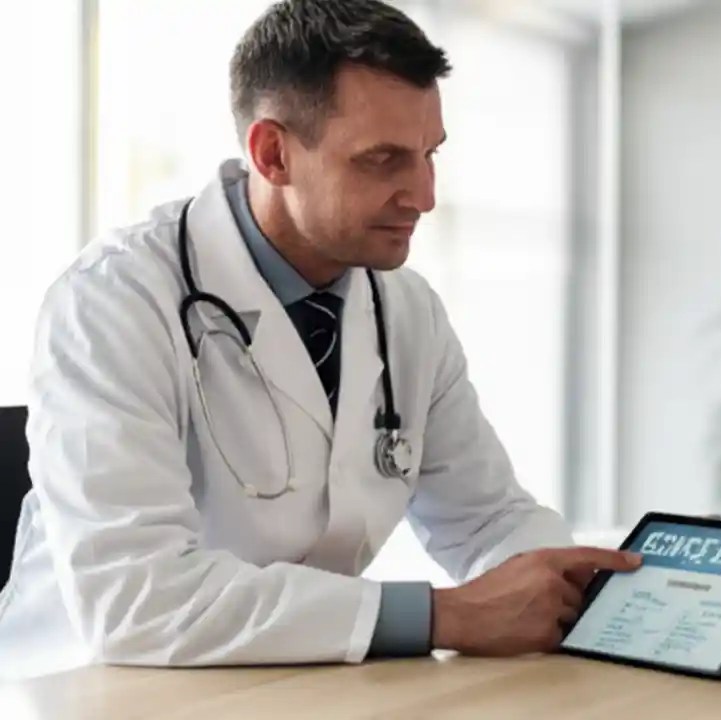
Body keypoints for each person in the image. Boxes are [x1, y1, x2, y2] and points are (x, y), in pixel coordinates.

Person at [0, 0, 640, 681]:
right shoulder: (114, 301)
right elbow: (137, 598)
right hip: (87, 687)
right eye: (384, 160)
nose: (423, 195)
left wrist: (590, 599)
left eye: (429, 155)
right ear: (273, 154)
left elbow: (487, 519)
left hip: (297, 681)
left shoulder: (408, 311)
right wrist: (444, 616)